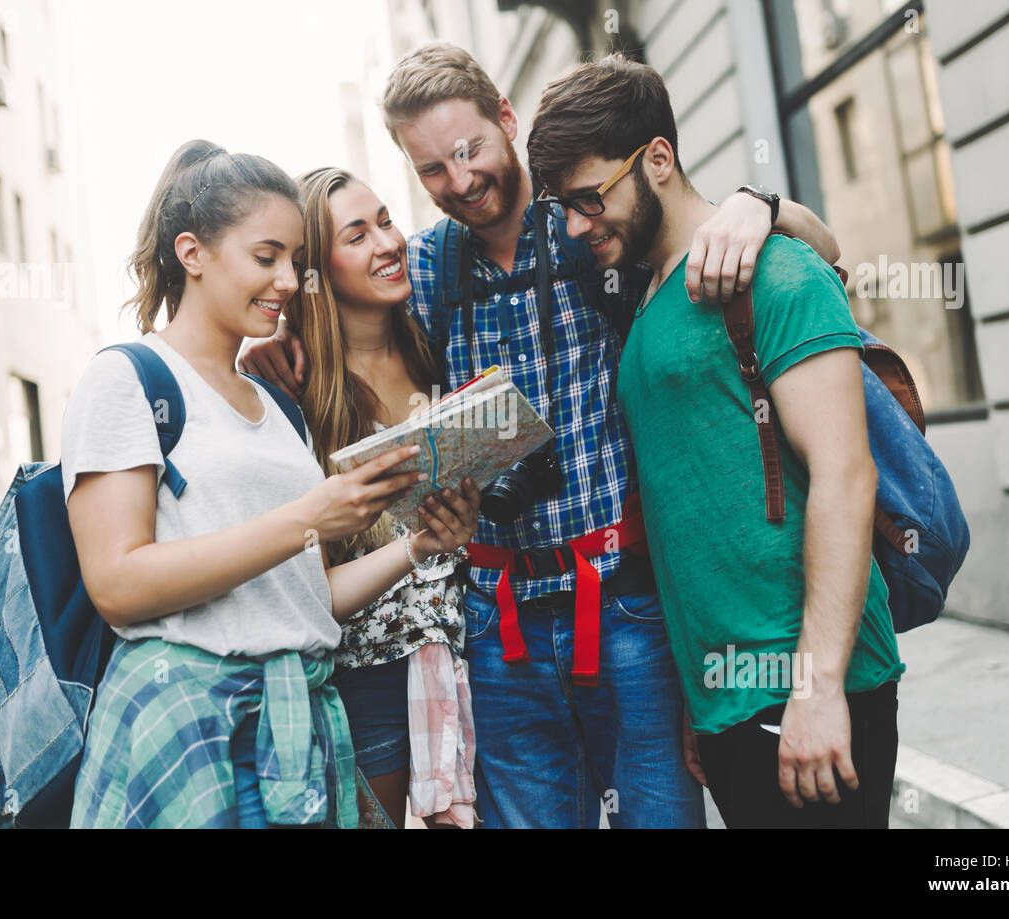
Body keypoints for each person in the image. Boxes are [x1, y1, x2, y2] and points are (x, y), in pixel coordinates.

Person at [241, 42, 841, 829]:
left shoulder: (595, 224)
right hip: (501, 630)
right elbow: (332, 296)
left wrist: (756, 206)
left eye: (469, 150)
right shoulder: (421, 270)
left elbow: (817, 250)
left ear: (506, 120)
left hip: (628, 606)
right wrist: (273, 341)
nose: (458, 182)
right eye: (430, 171)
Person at [527, 54, 904, 828]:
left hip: (803, 683)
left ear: (657, 159)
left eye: (589, 198)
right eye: (563, 206)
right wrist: (705, 705)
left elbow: (845, 475)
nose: (575, 225)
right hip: (730, 696)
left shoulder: (773, 269)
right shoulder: (651, 291)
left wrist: (818, 685)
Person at [63, 140, 479, 829]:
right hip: (193, 727)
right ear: (192, 253)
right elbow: (117, 582)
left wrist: (418, 546)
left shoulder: (276, 402)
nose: (288, 280)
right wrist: (309, 515)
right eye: (266, 258)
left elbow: (305, 600)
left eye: (294, 260)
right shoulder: (127, 378)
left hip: (300, 729)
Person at [288, 165, 478, 828]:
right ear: (315, 269)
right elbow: (307, 579)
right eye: (358, 233)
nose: (387, 242)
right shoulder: (299, 396)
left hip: (466, 652)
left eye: (387, 220)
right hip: (368, 677)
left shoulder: (435, 347)